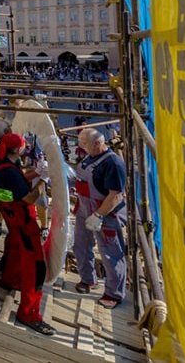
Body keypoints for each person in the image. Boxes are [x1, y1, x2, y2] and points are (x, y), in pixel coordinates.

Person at [0, 133, 56, 336]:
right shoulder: (10, 170)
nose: (25, 146)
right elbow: (28, 198)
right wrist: (42, 181)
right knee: (35, 269)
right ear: (16, 149)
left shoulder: (2, 163)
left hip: (15, 224)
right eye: (22, 144)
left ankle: (10, 280)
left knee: (15, 251)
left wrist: (34, 173)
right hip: (25, 225)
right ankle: (29, 313)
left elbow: (16, 179)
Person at [72, 128, 128, 309]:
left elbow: (115, 196)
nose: (81, 147)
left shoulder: (113, 163)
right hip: (84, 208)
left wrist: (98, 215)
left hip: (105, 213)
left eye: (85, 143)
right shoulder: (90, 156)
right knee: (80, 245)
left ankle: (114, 293)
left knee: (110, 253)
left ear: (97, 143)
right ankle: (88, 279)